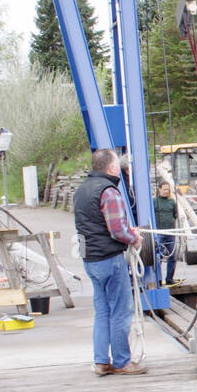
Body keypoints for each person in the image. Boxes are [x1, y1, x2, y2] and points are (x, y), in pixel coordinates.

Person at [73, 149, 147, 376]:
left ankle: (100, 361)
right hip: (109, 259)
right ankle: (122, 361)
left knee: (103, 311)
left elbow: (94, 224)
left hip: (91, 260)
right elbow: (116, 230)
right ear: (112, 168)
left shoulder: (81, 190)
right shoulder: (109, 191)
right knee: (121, 311)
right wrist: (133, 238)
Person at [154, 181, 178, 285]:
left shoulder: (172, 202)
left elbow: (175, 215)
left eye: (168, 189)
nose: (167, 191)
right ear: (159, 189)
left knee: (172, 256)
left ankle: (169, 279)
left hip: (170, 233)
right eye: (164, 189)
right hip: (159, 233)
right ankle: (158, 279)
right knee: (158, 256)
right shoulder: (154, 201)